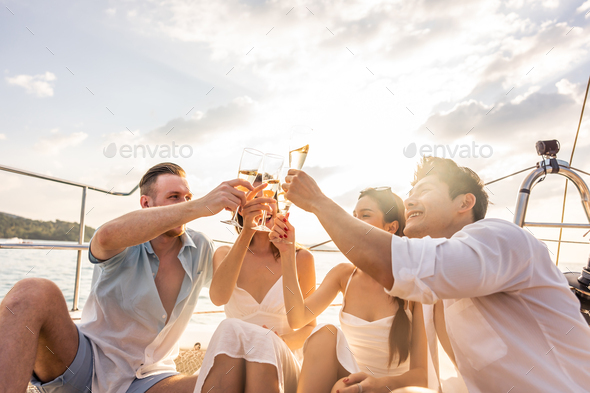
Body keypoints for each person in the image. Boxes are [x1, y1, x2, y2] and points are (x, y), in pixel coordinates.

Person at [282, 156, 590, 393]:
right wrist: (376, 383)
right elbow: (434, 377)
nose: (410, 201)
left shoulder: (499, 237)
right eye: (410, 193)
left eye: (424, 190)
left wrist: (317, 202)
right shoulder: (431, 296)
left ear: (464, 203)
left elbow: (397, 265)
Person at [0, 162, 264, 393]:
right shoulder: (125, 236)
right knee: (33, 291)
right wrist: (199, 206)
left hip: (152, 379)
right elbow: (105, 237)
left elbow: (220, 296)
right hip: (86, 365)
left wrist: (248, 231)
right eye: (174, 196)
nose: (184, 203)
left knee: (232, 380)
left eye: (188, 197)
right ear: (146, 203)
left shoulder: (200, 246)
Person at [270, 187, 428, 393]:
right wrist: (287, 253)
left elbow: (422, 375)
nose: (354, 223)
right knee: (325, 333)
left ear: (391, 227)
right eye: (353, 216)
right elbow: (297, 319)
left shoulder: (414, 285)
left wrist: (372, 385)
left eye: (365, 216)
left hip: (392, 388)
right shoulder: (344, 276)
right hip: (350, 382)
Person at [192, 183, 316, 393]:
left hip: (281, 358)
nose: (263, 205)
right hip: (234, 357)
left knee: (254, 338)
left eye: (269, 199)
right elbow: (218, 298)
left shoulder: (301, 258)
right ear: (241, 208)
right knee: (229, 329)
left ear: (279, 206)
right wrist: (247, 231)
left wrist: (278, 340)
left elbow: (309, 328)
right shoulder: (224, 254)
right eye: (255, 199)